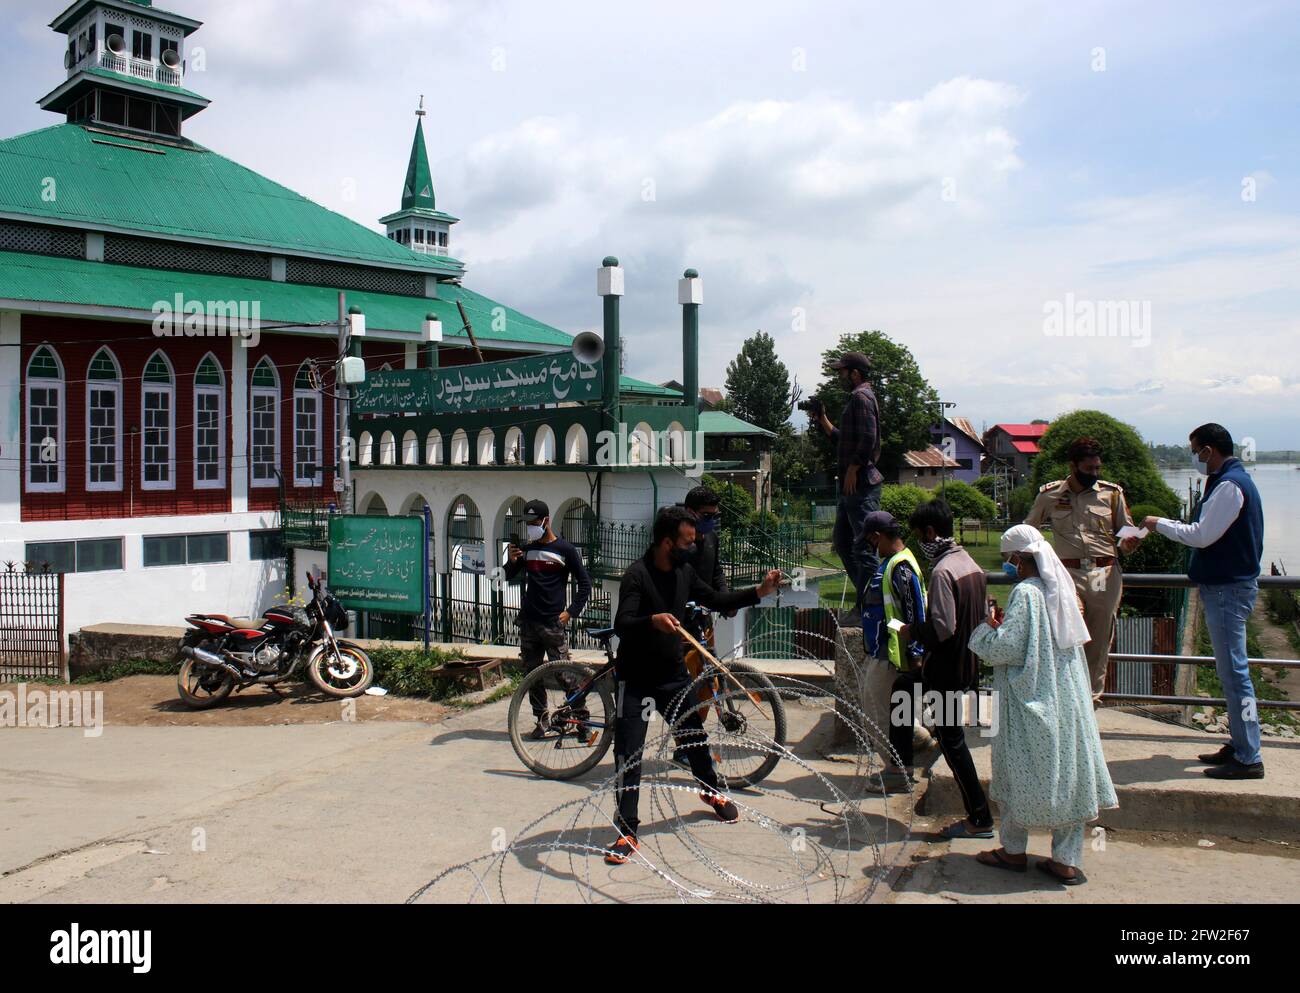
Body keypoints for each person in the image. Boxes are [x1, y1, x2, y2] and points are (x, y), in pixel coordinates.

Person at [605, 506, 781, 864]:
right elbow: (623, 623)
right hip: (636, 678)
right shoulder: (636, 576)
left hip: (672, 674)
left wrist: (758, 592)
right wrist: (651, 621)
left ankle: (711, 792)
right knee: (629, 753)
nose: (695, 544)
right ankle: (627, 830)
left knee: (695, 739)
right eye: (689, 540)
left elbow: (715, 599)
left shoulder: (684, 571)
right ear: (668, 542)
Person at [969, 525, 1119, 885]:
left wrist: (985, 629)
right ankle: (1065, 861)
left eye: (1009, 559)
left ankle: (1013, 850)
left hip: (1030, 696)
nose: (1008, 565)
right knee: (1067, 770)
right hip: (1067, 695)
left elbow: (1006, 648)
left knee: (1016, 768)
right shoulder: (1060, 589)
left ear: (1020, 560)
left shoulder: (1025, 594)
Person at [1141, 423, 1265, 781]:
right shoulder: (1234, 481)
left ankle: (1248, 756)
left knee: (1235, 675)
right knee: (1232, 674)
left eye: (1196, 451)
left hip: (1227, 589)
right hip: (1228, 588)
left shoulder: (1229, 486)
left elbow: (1202, 536)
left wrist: (1157, 523)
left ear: (1208, 451)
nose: (1194, 458)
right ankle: (1241, 744)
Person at [894, 499, 995, 838]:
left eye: (919, 535)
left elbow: (943, 627)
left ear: (930, 532)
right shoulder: (971, 565)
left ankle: (980, 818)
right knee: (906, 693)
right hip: (967, 665)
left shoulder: (942, 572)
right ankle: (905, 757)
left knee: (952, 742)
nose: (919, 543)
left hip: (946, 670)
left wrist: (911, 631)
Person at [1025, 437, 1140, 704]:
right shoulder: (1050, 494)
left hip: (1103, 574)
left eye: (1097, 468)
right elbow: (1029, 531)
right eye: (1089, 469)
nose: (1094, 474)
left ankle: (1089, 699)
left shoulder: (1112, 494)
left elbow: (1127, 534)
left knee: (1099, 639)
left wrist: (1131, 542)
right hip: (1067, 574)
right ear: (1073, 465)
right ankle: (1063, 696)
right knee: (1065, 633)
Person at [504, 499, 593, 741]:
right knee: (532, 674)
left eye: (535, 522)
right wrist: (512, 561)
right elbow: (507, 574)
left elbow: (585, 584)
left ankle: (582, 721)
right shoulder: (528, 549)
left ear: (546, 521)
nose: (531, 526)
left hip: (553, 623)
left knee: (565, 674)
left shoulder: (565, 550)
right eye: (528, 523)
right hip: (529, 622)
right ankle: (542, 721)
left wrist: (571, 611)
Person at [857, 511, 929, 786]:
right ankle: (914, 743)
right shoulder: (892, 563)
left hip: (894, 654)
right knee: (893, 711)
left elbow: (914, 612)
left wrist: (916, 653)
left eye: (872, 542)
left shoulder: (900, 566)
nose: (873, 548)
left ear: (878, 536)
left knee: (876, 713)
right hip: (886, 651)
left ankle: (897, 771)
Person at [812, 351, 884, 605]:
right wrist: (822, 419)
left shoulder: (861, 397)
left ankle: (874, 606)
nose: (839, 375)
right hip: (851, 488)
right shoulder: (858, 398)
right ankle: (867, 600)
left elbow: (868, 438)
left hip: (861, 484)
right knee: (844, 543)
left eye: (842, 371)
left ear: (855, 373)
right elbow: (845, 439)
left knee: (865, 549)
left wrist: (853, 468)